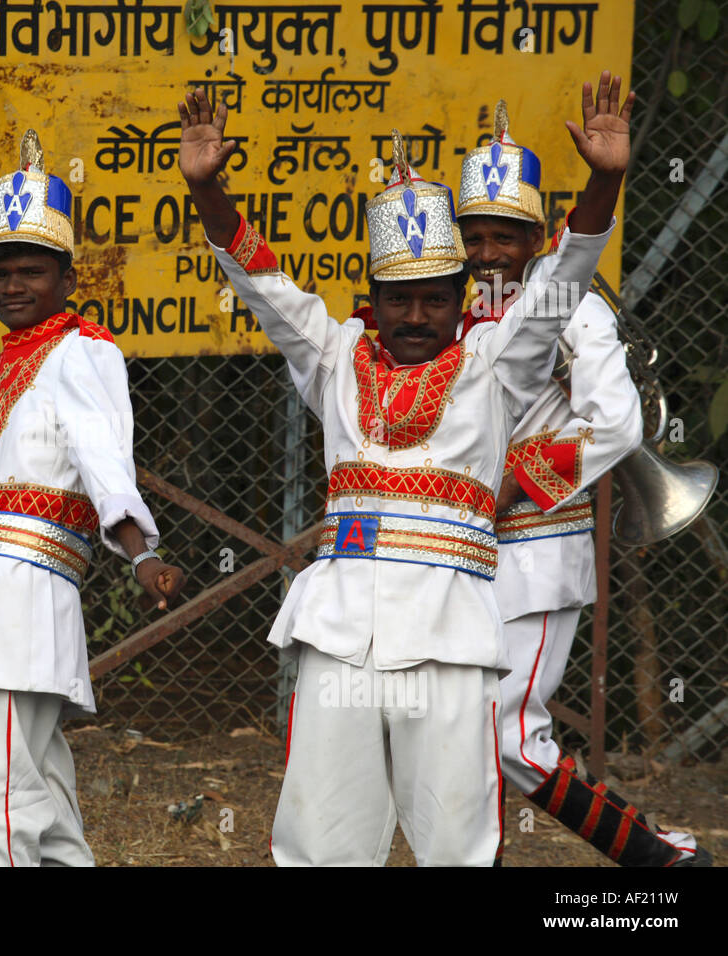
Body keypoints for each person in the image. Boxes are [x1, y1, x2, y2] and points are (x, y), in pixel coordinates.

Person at [177, 73, 631, 865]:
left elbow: (560, 283)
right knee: (320, 845)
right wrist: (208, 193)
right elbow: (261, 284)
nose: (416, 316)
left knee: (457, 846)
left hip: (450, 647)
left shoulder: (495, 366)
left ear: (463, 300)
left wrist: (605, 180)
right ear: (373, 299)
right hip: (338, 642)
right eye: (399, 299)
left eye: (434, 298)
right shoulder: (333, 357)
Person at [456, 101, 708, 866]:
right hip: (467, 552)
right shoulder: (455, 312)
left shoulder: (574, 305)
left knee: (507, 736)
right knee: (463, 727)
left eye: (506, 235)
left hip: (535, 554)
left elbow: (619, 424)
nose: (489, 251)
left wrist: (516, 482)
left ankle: (656, 857)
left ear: (538, 238)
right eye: (475, 236)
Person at [0, 131, 185, 866]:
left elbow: (106, 460)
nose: (14, 285)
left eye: (32, 271)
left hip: (23, 595)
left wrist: (142, 554)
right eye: (2, 272)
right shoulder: (18, 362)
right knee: (41, 794)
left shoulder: (80, 348)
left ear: (68, 277)